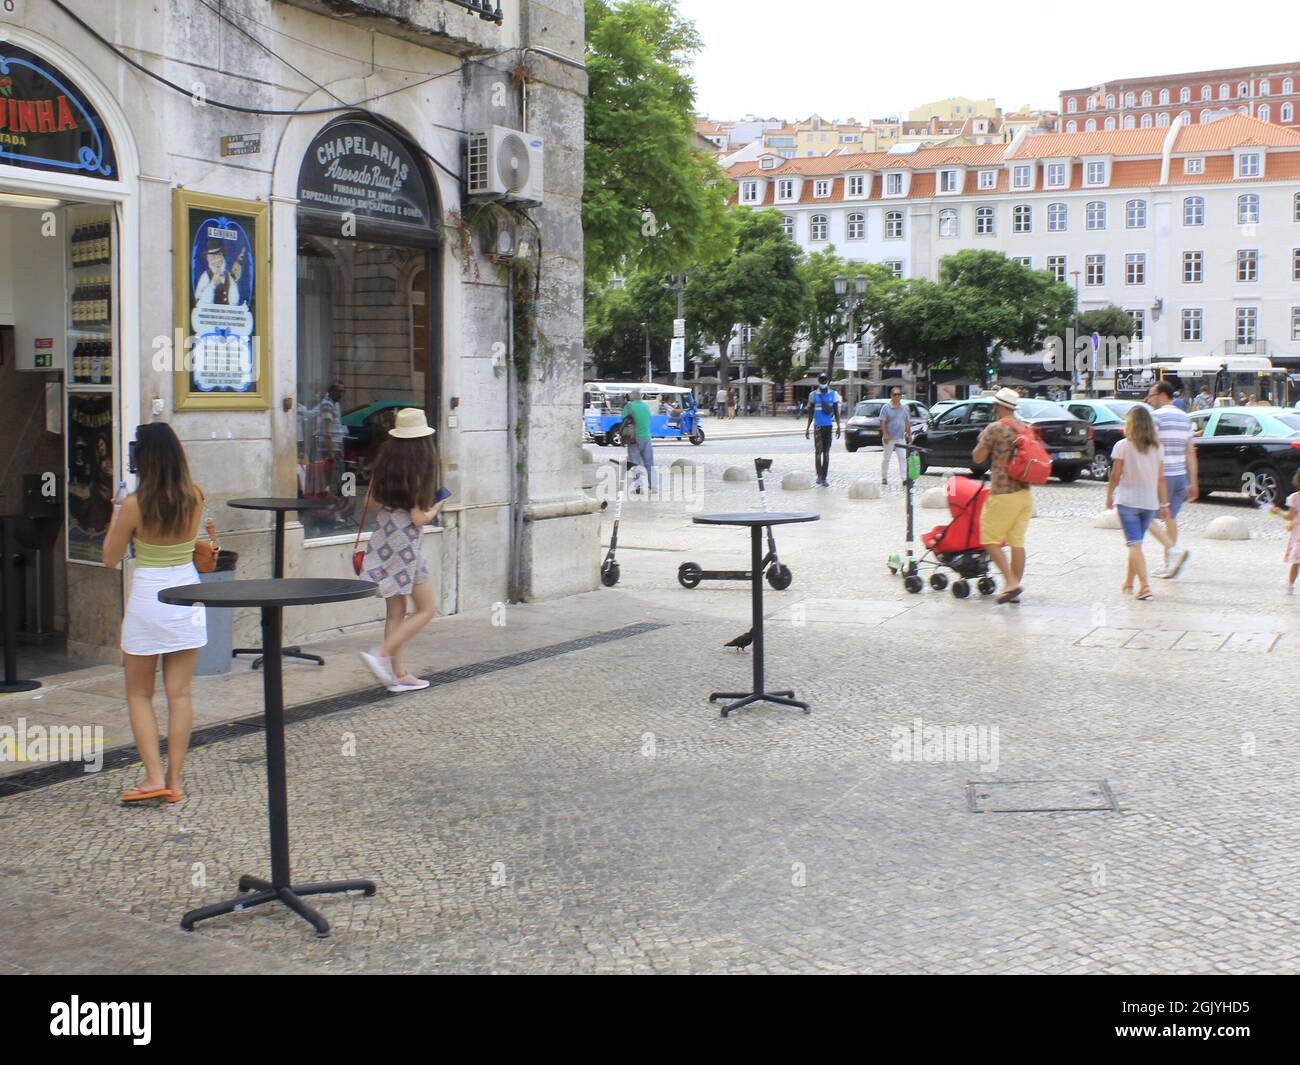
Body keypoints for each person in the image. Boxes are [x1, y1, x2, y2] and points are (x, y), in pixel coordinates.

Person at [102, 423, 207, 804]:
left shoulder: (133, 505)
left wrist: (115, 518)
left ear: (142, 458)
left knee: (139, 693)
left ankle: (152, 776)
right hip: (187, 594)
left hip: (149, 597)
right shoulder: (195, 496)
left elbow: (110, 557)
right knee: (180, 694)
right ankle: (175, 781)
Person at [358, 408, 447, 693]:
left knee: (395, 611)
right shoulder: (420, 470)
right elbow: (419, 519)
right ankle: (380, 655)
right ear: (424, 442)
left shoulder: (384, 465)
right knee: (427, 608)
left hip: (384, 541)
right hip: (407, 547)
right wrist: (437, 506)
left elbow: (368, 503)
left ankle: (398, 675)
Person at [971, 387, 1032, 604]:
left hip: (1003, 493)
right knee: (1017, 541)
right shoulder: (1023, 427)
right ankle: (1011, 589)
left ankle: (1011, 583)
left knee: (989, 539)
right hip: (1024, 494)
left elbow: (978, 458)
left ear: (999, 406)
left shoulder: (995, 428)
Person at [1106, 405, 1169, 600]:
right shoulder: (1158, 447)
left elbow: (1115, 476)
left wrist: (1109, 495)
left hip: (1127, 501)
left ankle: (1145, 586)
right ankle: (1129, 581)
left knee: (1134, 544)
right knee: (1137, 544)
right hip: (1149, 502)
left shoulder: (1122, 446)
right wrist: (1164, 504)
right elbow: (1160, 479)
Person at [1144, 380, 1198, 578]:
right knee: (1171, 518)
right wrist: (1193, 482)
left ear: (1162, 395)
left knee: (1146, 516)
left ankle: (1173, 553)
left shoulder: (1155, 417)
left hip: (1162, 475)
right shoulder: (1185, 418)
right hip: (1180, 476)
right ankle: (1169, 565)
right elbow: (1191, 451)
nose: (1149, 400)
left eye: (1151, 396)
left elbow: (1151, 447)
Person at [804, 373, 841, 487]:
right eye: (821, 380)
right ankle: (819, 476)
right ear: (818, 380)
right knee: (818, 452)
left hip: (828, 427)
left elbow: (836, 411)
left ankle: (824, 477)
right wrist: (807, 428)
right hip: (818, 426)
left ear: (828, 381)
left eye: (825, 380)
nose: (823, 382)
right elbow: (810, 413)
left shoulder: (834, 394)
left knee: (826, 453)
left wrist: (839, 427)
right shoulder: (813, 395)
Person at [1268, 470, 1300, 593]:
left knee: (1296, 562)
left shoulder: (1295, 498)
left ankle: (1290, 584)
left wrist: (1277, 511)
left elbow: (1290, 516)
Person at [619, 387, 655, 494]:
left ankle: (638, 485)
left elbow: (623, 419)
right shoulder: (646, 407)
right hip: (646, 437)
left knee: (635, 463)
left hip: (633, 439)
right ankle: (653, 485)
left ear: (631, 397)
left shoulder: (629, 406)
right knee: (649, 463)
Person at [879, 387, 912, 488]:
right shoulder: (886, 408)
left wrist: (909, 434)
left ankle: (904, 478)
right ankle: (884, 477)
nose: (897, 396)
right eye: (895, 394)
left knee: (902, 458)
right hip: (889, 437)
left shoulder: (905, 408)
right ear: (891, 396)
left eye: (899, 394)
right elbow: (882, 421)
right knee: (886, 458)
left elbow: (907, 422)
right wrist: (885, 434)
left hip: (900, 437)